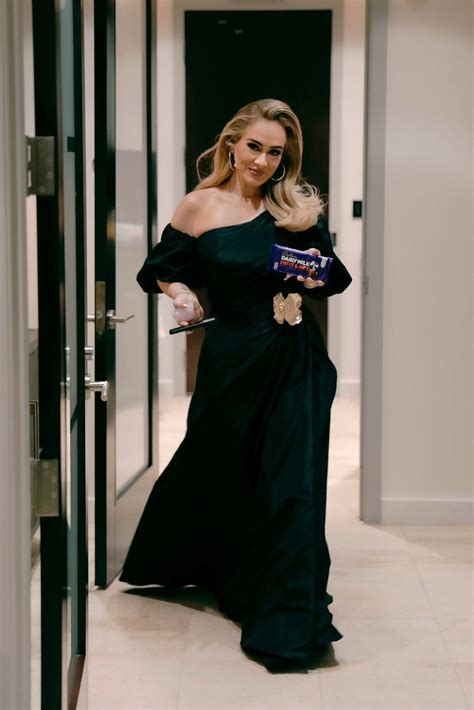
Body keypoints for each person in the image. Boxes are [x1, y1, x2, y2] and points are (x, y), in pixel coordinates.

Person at [119, 98, 352, 673]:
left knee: (292, 484)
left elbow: (335, 277)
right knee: (225, 470)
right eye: (255, 147)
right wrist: (181, 293)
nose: (263, 161)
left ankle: (289, 618)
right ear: (231, 143)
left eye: (276, 153)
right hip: (231, 362)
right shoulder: (199, 205)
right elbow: (160, 267)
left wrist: (312, 272)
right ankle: (230, 574)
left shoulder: (294, 206)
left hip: (294, 358)